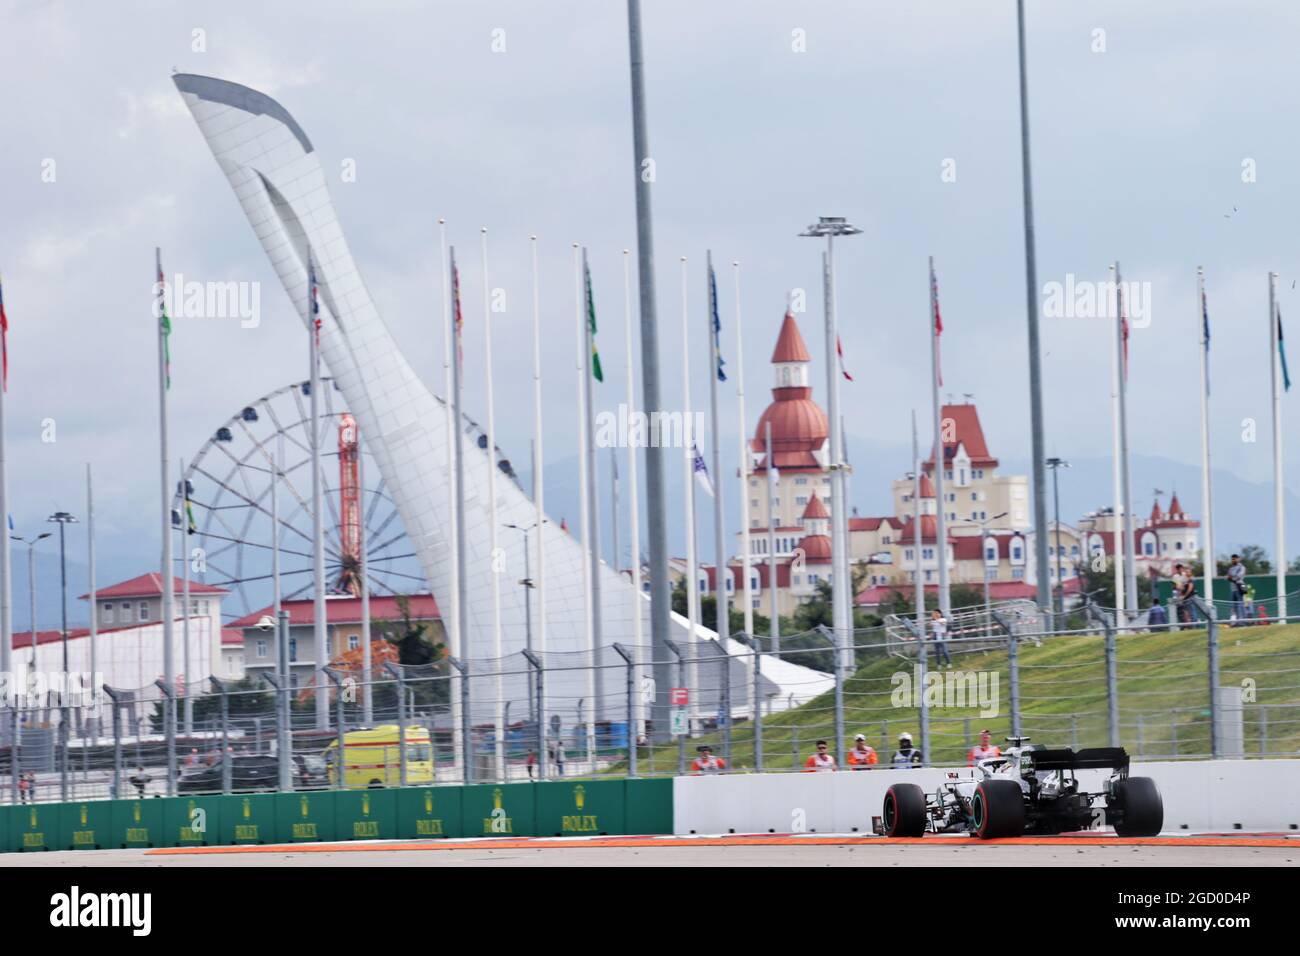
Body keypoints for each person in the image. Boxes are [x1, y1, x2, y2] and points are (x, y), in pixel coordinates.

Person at [1227, 554, 1247, 625]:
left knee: (1240, 604)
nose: (1233, 560)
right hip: (1233, 589)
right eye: (1232, 559)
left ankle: (1242, 621)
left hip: (1240, 587)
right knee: (1233, 606)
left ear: (1238, 559)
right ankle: (1235, 622)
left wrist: (1231, 578)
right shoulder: (1230, 568)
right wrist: (1231, 577)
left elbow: (1239, 576)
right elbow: (1228, 577)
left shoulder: (1242, 567)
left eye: (1235, 559)